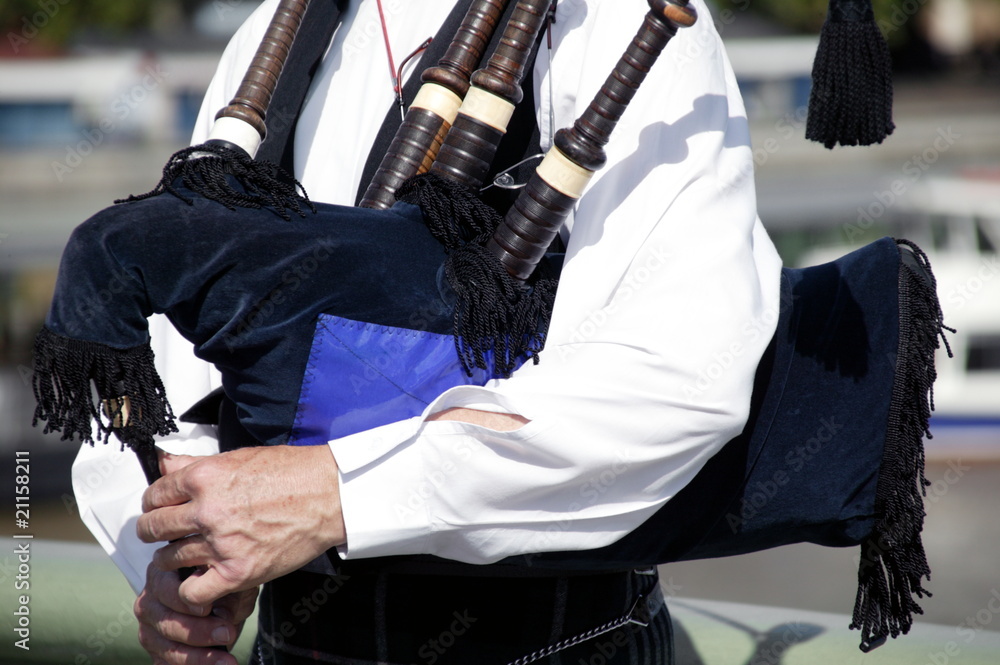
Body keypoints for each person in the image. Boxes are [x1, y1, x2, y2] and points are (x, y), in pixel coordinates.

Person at [89, 0, 782, 662]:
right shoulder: (274, 29)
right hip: (295, 643)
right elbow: (175, 359)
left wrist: (335, 496)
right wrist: (177, 544)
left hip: (555, 644)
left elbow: (683, 377)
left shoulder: (613, 19)